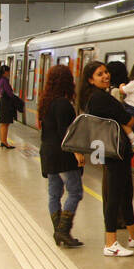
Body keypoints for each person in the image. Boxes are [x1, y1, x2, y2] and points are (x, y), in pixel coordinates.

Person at [78, 60, 134, 256]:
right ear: (90, 79)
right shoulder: (98, 98)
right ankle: (110, 243)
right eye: (99, 74)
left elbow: (121, 113)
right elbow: (124, 117)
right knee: (114, 195)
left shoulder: (98, 96)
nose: (105, 76)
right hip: (114, 152)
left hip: (117, 150)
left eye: (106, 72)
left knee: (125, 191)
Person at [39, 65, 85, 248]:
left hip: (48, 154)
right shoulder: (64, 104)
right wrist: (77, 152)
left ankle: (58, 231)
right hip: (63, 156)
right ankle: (63, 231)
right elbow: (65, 132)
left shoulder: (46, 101)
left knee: (54, 194)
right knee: (75, 192)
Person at [0, 65, 21, 148]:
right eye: (8, 71)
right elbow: (9, 93)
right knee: (5, 123)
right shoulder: (4, 80)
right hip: (5, 104)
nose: (9, 73)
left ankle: (3, 141)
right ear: (5, 72)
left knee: (4, 123)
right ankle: (4, 141)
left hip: (2, 103)